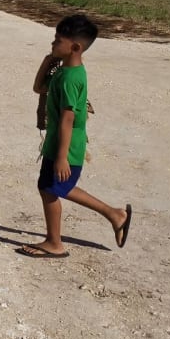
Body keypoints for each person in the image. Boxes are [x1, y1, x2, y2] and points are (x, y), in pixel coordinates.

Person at [19, 14, 132, 258]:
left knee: (51, 189)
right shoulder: (64, 71)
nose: (52, 43)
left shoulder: (70, 78)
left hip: (66, 145)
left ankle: (55, 243)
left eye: (57, 40)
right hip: (58, 143)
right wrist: (48, 60)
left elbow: (68, 119)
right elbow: (39, 88)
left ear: (75, 47)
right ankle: (114, 214)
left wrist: (61, 157)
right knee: (54, 187)